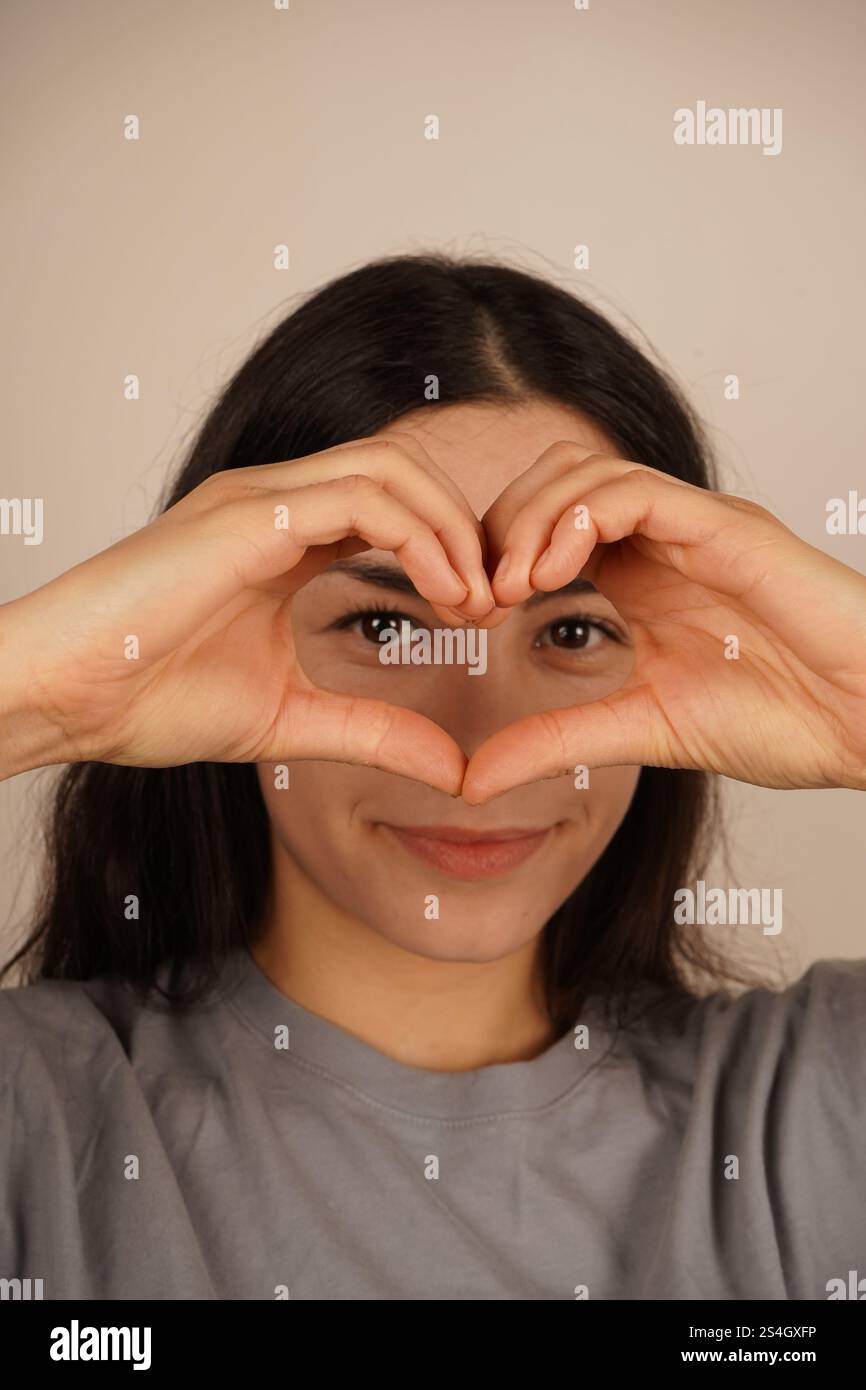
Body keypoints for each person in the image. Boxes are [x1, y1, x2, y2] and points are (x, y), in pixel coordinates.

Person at [1, 253, 865, 1301]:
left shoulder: (820, 1106)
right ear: (205, 628)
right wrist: (45, 694)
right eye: (383, 624)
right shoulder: (37, 1120)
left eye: (574, 629)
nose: (480, 749)